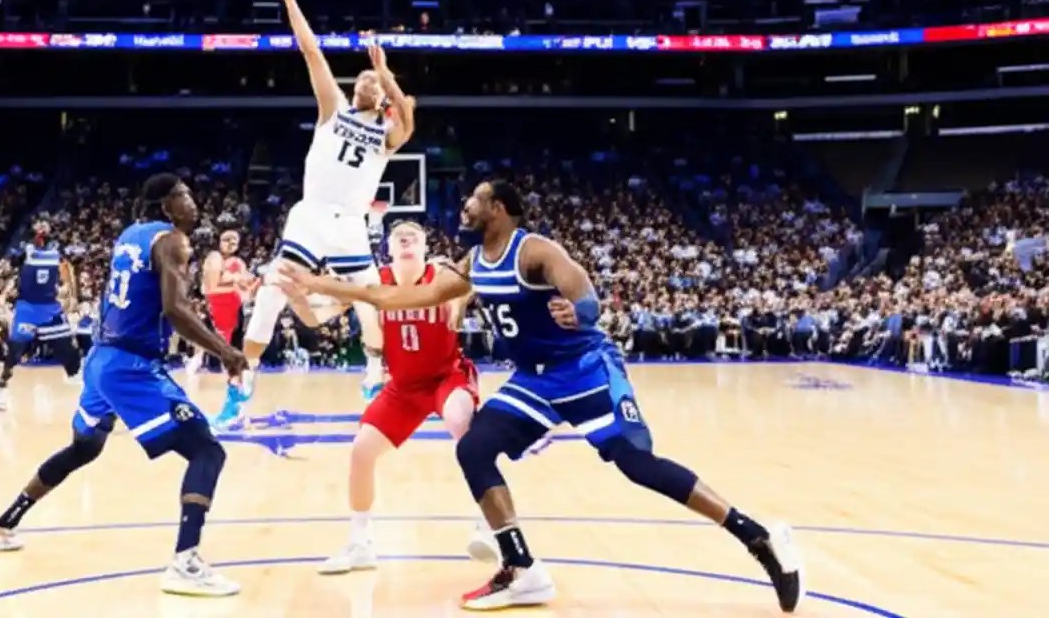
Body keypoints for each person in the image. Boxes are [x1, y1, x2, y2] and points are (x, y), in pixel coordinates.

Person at [283, 180, 804, 613]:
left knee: (635, 464)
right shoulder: (471, 263)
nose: (465, 204)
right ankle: (523, 568)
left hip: (584, 370)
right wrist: (321, 284)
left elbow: (585, 293)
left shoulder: (535, 250)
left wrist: (578, 313)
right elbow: (394, 295)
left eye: (475, 198)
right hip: (534, 379)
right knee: (474, 448)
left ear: (500, 209)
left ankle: (758, 537)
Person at [0, 173, 250, 598]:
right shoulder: (173, 240)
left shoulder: (129, 236)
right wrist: (226, 351)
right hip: (131, 365)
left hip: (101, 359)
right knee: (206, 450)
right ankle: (186, 562)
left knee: (84, 447)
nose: (195, 204)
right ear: (166, 205)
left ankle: (4, 523)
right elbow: (176, 309)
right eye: (186, 196)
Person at [217, 0, 416, 430]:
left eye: (375, 81)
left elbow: (408, 119)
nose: (366, 79)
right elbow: (311, 50)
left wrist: (386, 69)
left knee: (371, 300)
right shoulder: (334, 108)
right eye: (364, 76)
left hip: (349, 221)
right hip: (309, 215)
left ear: (383, 95)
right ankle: (241, 388)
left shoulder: (388, 135)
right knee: (269, 296)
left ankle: (372, 372)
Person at [281, 221, 499, 573]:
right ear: (389, 247)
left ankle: (490, 525)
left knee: (463, 422)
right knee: (362, 450)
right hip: (404, 386)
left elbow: (477, 277)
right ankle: (360, 542)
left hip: (447, 376)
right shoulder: (373, 283)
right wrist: (296, 297)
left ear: (426, 245)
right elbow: (313, 317)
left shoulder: (444, 278)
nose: (406, 239)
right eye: (399, 236)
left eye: (413, 235)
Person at [0, 222, 81, 410]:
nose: (43, 229)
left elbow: (68, 268)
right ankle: (0, 390)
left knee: (68, 351)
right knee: (15, 352)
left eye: (45, 227)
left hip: (50, 307)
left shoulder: (57, 249)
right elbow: (6, 267)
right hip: (28, 308)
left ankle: (85, 391)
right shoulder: (24, 249)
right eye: (39, 227)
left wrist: (72, 295)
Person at [202, 230, 252, 395]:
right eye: (227, 240)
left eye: (235, 241)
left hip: (234, 307)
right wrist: (236, 281)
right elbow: (211, 287)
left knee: (235, 345)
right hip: (218, 307)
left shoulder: (237, 262)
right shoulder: (214, 258)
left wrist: (242, 284)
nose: (231, 244)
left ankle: (235, 382)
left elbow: (247, 285)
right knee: (220, 345)